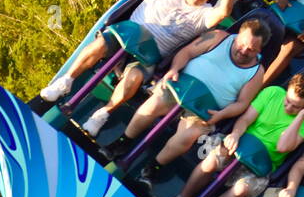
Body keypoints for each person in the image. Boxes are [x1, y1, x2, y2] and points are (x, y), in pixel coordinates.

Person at [41, 0, 243, 132]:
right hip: (128, 33)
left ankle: (103, 112)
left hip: (151, 53)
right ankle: (66, 82)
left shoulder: (204, 14)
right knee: (100, 45)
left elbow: (223, 12)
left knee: (135, 77)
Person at [106, 18, 271, 184]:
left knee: (188, 135)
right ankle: (123, 141)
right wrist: (174, 69)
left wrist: (222, 114)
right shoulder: (218, 37)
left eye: (251, 50)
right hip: (181, 86)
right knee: (154, 104)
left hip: (206, 110)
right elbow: (187, 53)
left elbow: (242, 103)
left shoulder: (256, 72)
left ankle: (152, 168)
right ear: (237, 36)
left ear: (259, 50)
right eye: (242, 44)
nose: (243, 51)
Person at [161, 72, 304, 197]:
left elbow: (283, 147)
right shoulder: (273, 92)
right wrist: (235, 135)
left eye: (296, 107)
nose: (288, 108)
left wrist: (300, 117)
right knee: (211, 162)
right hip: (240, 143)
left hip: (261, 164)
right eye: (287, 101)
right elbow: (245, 119)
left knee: (240, 190)